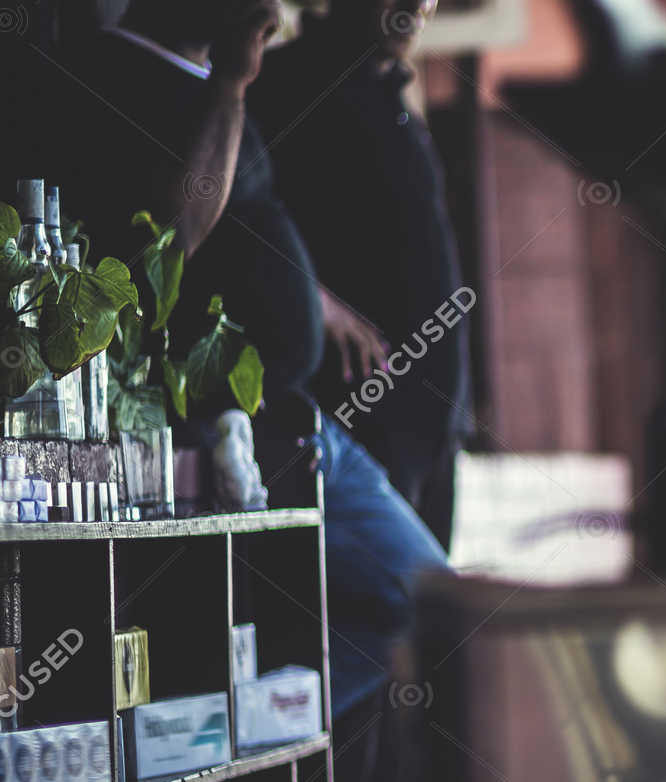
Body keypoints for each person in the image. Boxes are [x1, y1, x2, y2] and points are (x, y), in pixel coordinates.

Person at [53, 0, 449, 723]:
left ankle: (248, 730)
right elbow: (161, 248)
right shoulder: (108, 72)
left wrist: (314, 299)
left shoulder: (199, 77)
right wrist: (233, 82)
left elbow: (242, 216)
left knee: (427, 601)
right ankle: (223, 737)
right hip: (217, 432)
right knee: (424, 595)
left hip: (291, 417)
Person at [247, 0, 470, 550]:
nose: (418, 7)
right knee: (389, 609)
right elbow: (235, 214)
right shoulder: (281, 83)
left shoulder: (392, 95)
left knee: (426, 618)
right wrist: (311, 297)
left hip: (433, 429)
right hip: (355, 417)